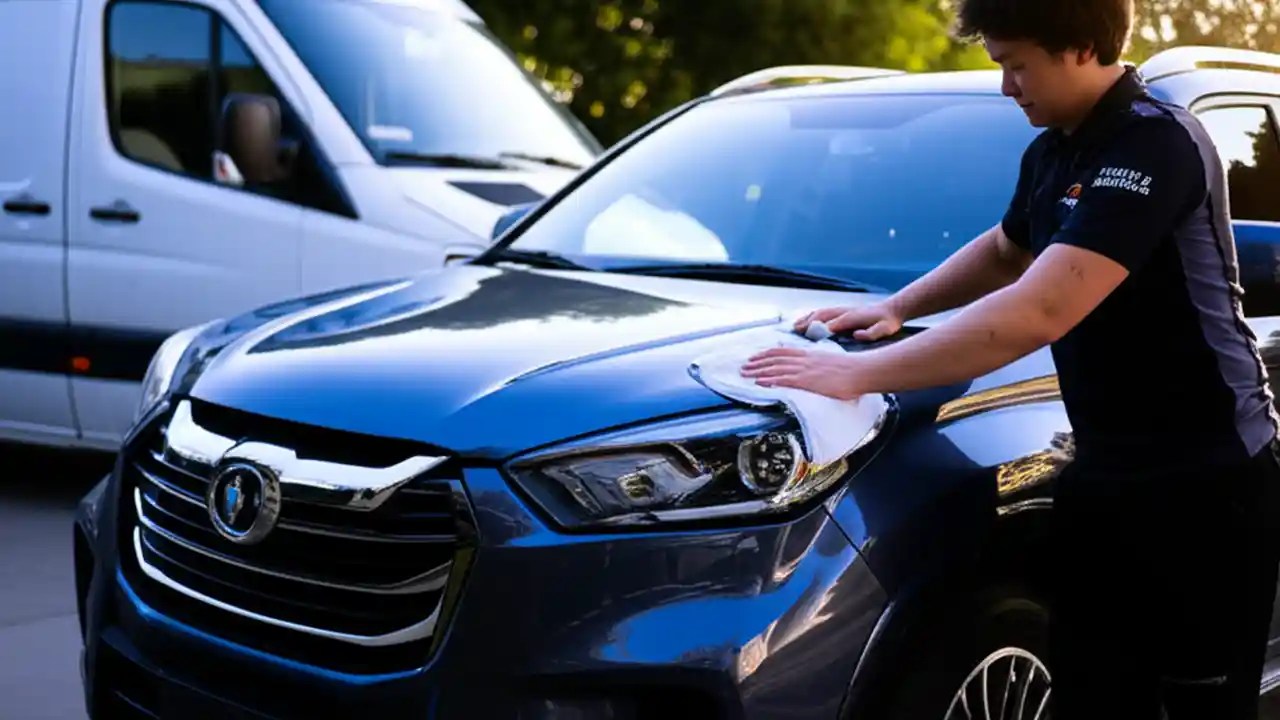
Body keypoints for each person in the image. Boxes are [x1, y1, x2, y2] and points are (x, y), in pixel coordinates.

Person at [739, 0, 1280, 717]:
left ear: (1082, 48)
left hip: (1207, 485)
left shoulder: (1157, 143)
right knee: (1093, 693)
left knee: (1197, 704)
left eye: (1015, 65)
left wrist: (856, 373)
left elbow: (1040, 308)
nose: (1006, 88)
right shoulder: (1055, 146)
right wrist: (899, 306)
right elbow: (1007, 252)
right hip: (1104, 471)